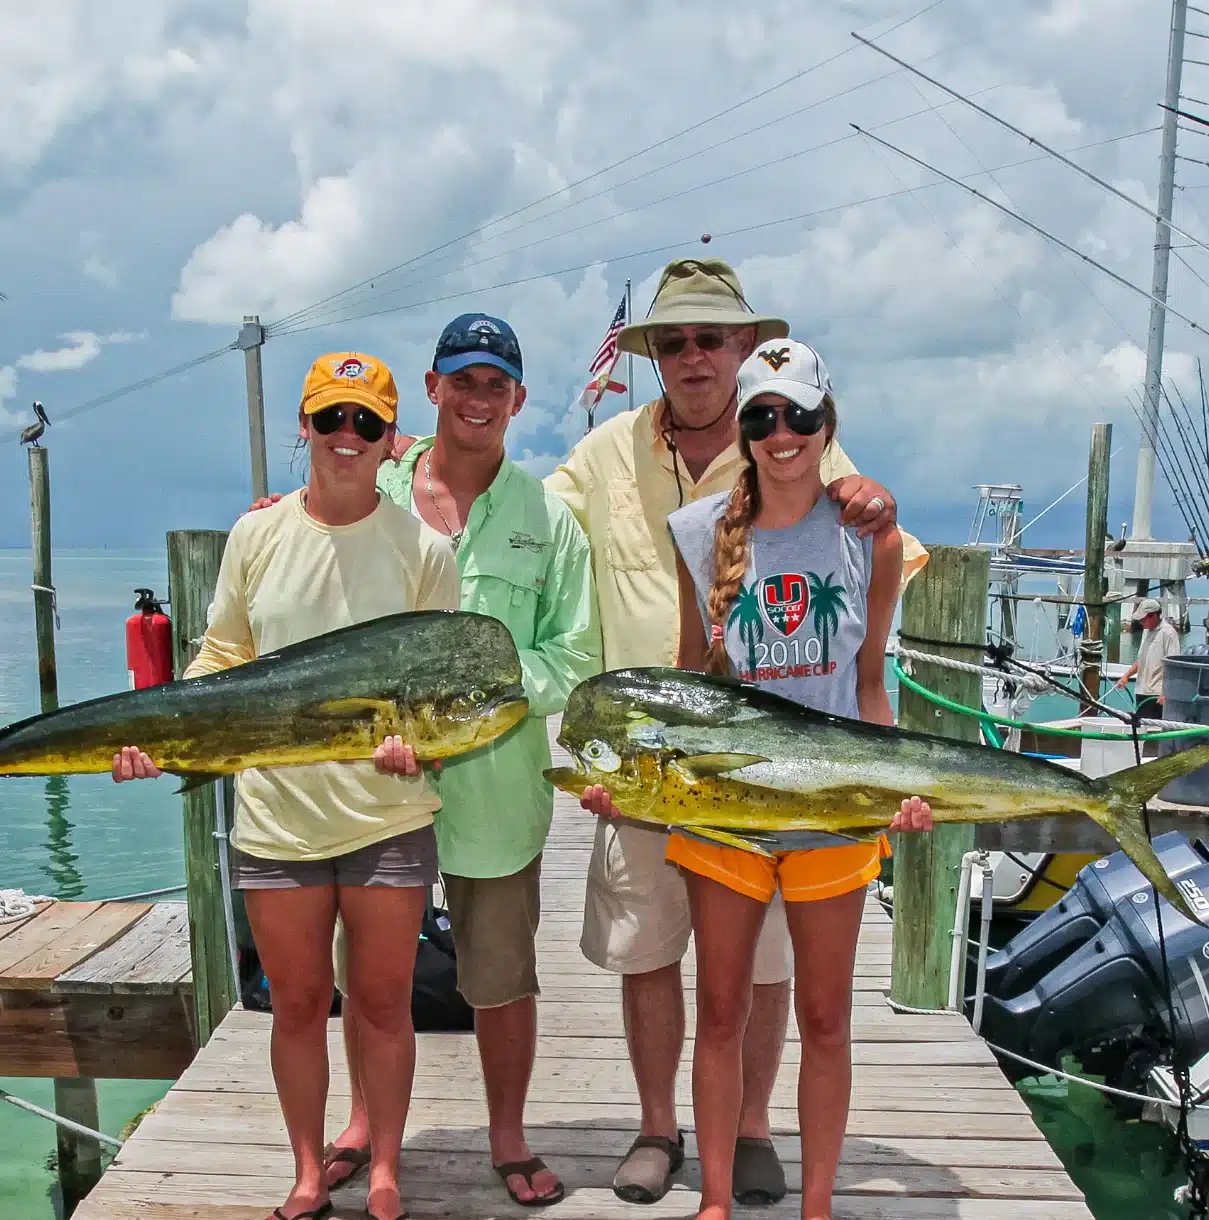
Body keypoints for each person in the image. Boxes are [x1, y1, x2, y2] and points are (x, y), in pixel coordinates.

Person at [546, 257, 928, 1206]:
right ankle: (673, 1148)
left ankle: (771, 1151)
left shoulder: (849, 507)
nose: (778, 432)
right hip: (695, 787)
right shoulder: (635, 479)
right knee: (671, 971)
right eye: (672, 341)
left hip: (818, 806)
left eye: (709, 339)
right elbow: (523, 513)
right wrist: (398, 475)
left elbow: (870, 669)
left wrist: (894, 787)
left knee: (794, 996)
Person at [257, 316, 602, 1207]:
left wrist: (476, 696)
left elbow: (574, 655)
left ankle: (508, 1135)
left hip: (492, 785)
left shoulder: (548, 519)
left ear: (517, 399)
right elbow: (306, 549)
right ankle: (363, 1126)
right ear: (432, 388)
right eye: (462, 380)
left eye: (495, 385)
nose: (477, 399)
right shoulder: (372, 474)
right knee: (367, 980)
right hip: (367, 785)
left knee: (500, 975)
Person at [113, 351, 459, 1220]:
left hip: (386, 818)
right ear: (303, 426)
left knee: (382, 1004)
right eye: (330, 417)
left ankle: (385, 1166)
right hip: (275, 819)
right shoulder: (256, 535)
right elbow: (222, 657)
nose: (347, 435)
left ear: (390, 440)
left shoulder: (424, 550)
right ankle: (307, 1171)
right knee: (298, 1006)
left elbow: (440, 685)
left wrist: (423, 751)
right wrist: (161, 732)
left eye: (366, 422)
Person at [1115, 597, 1181, 720]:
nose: (1141, 622)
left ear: (1154, 615)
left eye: (1143, 619)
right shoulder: (1146, 632)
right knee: (1140, 726)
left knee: (1152, 728)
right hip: (1141, 691)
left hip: (1156, 694)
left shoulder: (1168, 633)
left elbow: (1173, 666)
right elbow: (1141, 659)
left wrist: (1165, 692)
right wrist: (1126, 676)